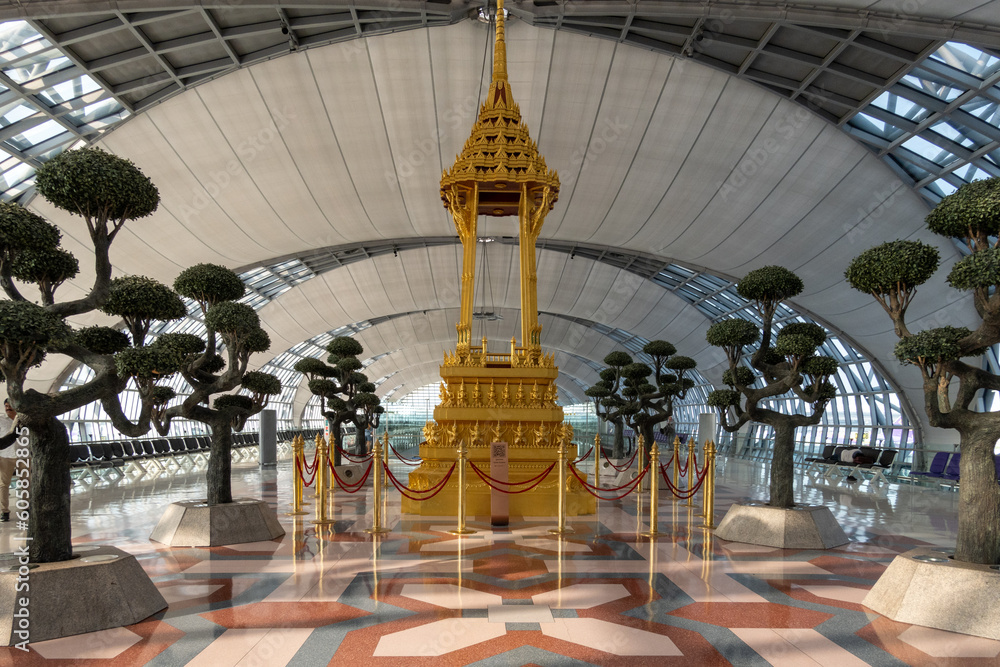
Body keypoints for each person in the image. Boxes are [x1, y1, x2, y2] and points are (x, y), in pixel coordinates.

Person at [0, 399, 21, 522]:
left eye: (10, 406)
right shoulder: (1, 420)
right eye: (6, 406)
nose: (8, 408)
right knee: (3, 485)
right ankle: (4, 511)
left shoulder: (24, 420)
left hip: (23, 456)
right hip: (5, 456)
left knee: (25, 483)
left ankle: (26, 507)